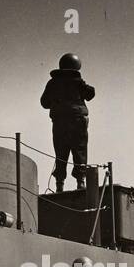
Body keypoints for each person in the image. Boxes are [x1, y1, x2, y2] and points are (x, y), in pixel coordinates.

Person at [40, 52, 95, 191]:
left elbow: (44, 102)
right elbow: (90, 94)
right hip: (78, 120)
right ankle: (80, 183)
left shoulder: (52, 82)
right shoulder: (78, 81)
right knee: (80, 150)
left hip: (59, 121)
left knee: (61, 152)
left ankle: (59, 184)